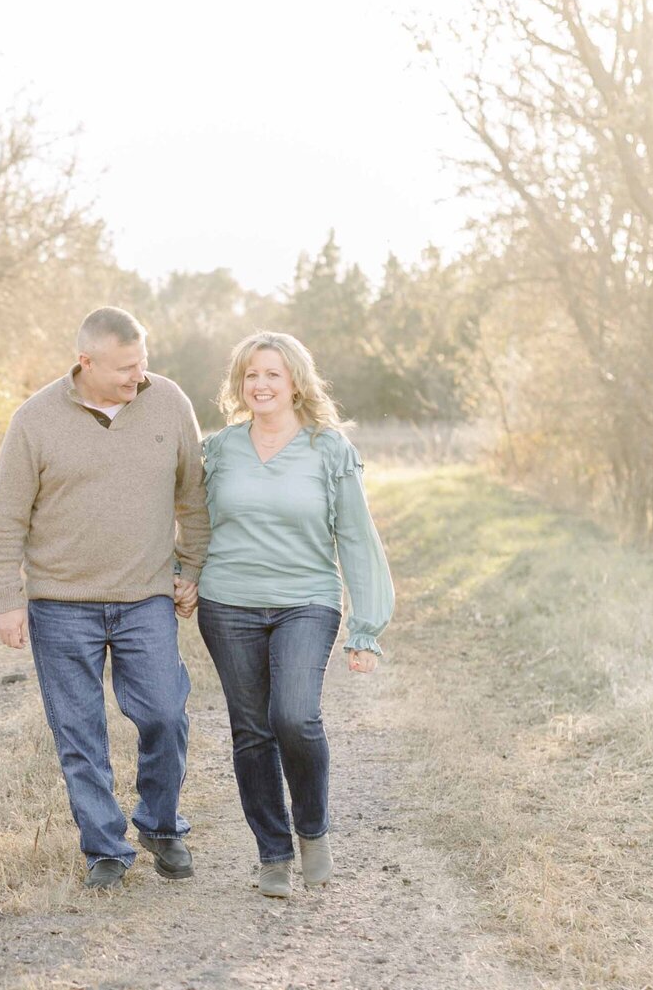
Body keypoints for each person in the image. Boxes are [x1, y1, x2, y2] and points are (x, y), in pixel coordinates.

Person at [0, 307, 210, 890]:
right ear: (86, 362)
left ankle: (161, 826)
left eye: (143, 363)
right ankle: (104, 847)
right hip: (61, 604)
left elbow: (194, 495)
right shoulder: (35, 420)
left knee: (164, 712)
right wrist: (10, 598)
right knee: (79, 733)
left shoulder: (167, 402)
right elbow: (6, 518)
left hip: (146, 598)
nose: (139, 377)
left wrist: (193, 566)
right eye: (125, 368)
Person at [189, 331, 394, 899]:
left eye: (272, 375)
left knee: (295, 717)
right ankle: (273, 855)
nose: (260, 385)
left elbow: (356, 537)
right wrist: (183, 576)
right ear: (239, 384)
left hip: (307, 599)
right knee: (252, 731)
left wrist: (366, 626)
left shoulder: (328, 450)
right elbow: (195, 523)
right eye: (251, 375)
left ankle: (313, 831)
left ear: (296, 381)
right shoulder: (219, 449)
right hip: (228, 603)